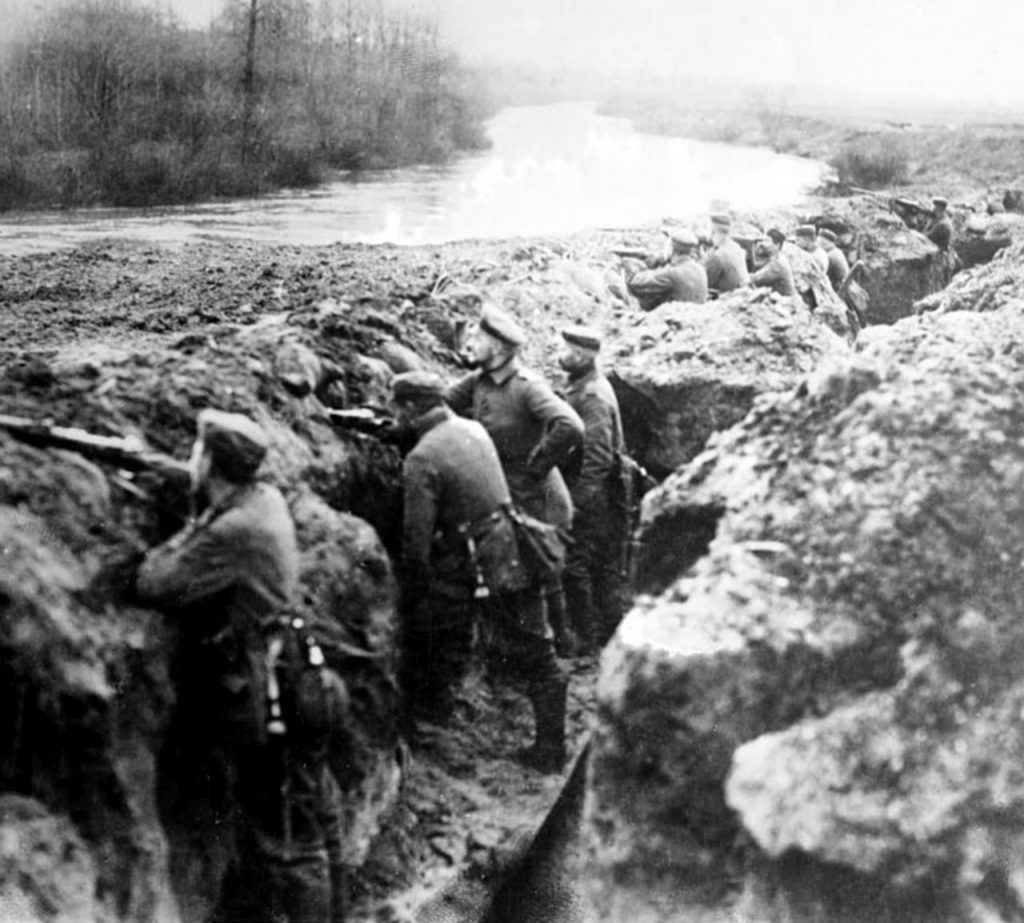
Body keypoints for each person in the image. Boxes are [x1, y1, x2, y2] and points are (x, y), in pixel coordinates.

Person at [136, 409, 346, 923]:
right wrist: (171, 472)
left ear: (212, 462)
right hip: (302, 670)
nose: (192, 458)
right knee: (310, 803)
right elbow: (221, 495)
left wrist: (186, 526)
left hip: (273, 690)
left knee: (289, 840)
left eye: (197, 451)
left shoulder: (232, 529)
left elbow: (154, 582)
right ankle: (337, 904)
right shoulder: (263, 497)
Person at [446, 305, 583, 772]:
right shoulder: (481, 381)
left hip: (526, 517)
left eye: (480, 339)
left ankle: (550, 748)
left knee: (533, 626)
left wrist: (537, 465)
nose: (472, 345)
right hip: (504, 514)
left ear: (501, 348)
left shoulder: (526, 388)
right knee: (527, 610)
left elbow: (570, 424)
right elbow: (439, 405)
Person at [391, 371, 518, 729]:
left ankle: (430, 718)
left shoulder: (421, 459)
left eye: (396, 407)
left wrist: (408, 595)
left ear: (411, 407)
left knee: (423, 628)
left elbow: (415, 545)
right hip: (500, 545)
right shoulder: (471, 428)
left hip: (468, 560)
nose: (393, 413)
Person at [557, 325, 627, 653]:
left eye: (567, 350)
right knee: (600, 566)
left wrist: (575, 503)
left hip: (594, 493)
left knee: (577, 563)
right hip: (595, 490)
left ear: (583, 357)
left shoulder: (593, 397)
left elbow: (597, 458)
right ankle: (609, 635)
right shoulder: (582, 385)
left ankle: (587, 641)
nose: (561, 354)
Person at [624, 227, 709, 309]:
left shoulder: (672, 274)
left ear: (671, 248)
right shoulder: (700, 269)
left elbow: (634, 283)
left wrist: (635, 265)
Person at [704, 213, 749, 295]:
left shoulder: (717, 256)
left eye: (707, 227)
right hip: (741, 295)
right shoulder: (736, 247)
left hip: (726, 300)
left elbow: (704, 283)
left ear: (713, 230)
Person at [749, 228, 796, 297]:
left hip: (785, 303)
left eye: (767, 241)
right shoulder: (774, 257)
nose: (762, 244)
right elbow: (757, 265)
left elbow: (755, 279)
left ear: (777, 245)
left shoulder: (778, 263)